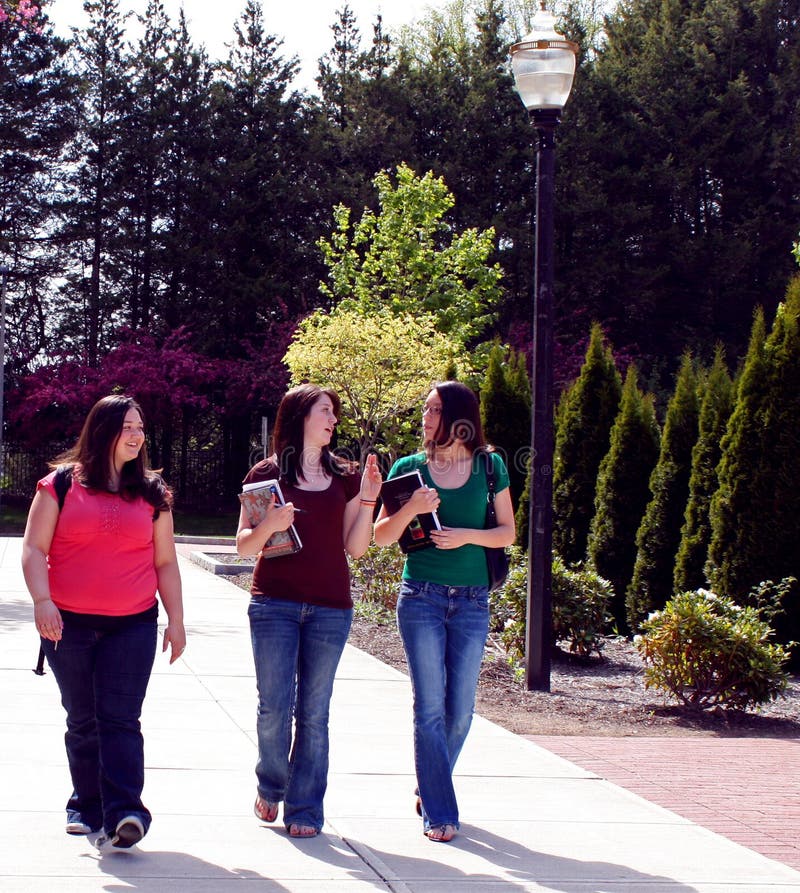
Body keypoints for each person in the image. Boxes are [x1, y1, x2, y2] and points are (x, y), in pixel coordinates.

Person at [21, 395, 186, 850]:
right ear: (103, 430)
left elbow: (166, 563)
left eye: (140, 426)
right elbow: (34, 549)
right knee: (83, 719)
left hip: (132, 624)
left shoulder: (153, 492)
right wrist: (42, 600)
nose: (137, 435)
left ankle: (126, 812)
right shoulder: (59, 485)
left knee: (120, 719)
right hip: (67, 624)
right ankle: (86, 806)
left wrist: (176, 619)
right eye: (127, 426)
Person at [236, 383, 381, 838]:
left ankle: (305, 808)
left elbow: (355, 548)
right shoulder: (267, 473)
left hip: (330, 608)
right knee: (274, 709)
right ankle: (271, 785)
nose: (334, 420)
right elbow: (243, 547)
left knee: (315, 714)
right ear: (301, 416)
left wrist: (370, 497)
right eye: (326, 411)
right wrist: (272, 525)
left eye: (335, 412)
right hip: (273, 605)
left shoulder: (345, 476)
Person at [373, 380, 516, 843]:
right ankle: (439, 811)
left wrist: (466, 535)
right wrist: (412, 505)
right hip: (422, 597)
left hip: (473, 599)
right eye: (425, 409)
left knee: (461, 711)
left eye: (434, 410)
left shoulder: (490, 467)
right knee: (429, 707)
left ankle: (429, 780)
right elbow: (381, 537)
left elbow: (507, 533)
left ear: (459, 417)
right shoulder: (409, 468)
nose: (426, 418)